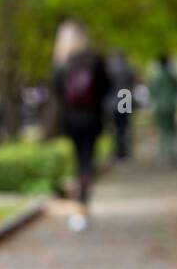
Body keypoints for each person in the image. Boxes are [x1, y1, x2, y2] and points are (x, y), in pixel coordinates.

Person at [52, 21, 110, 231]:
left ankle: (80, 207)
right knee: (87, 160)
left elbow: (57, 91)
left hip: (71, 120)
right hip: (91, 119)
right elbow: (106, 88)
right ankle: (83, 204)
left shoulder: (62, 63)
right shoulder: (94, 61)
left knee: (79, 161)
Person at [149, 55, 177, 165]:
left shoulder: (156, 77)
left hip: (160, 106)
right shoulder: (173, 76)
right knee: (171, 130)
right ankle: (170, 153)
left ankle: (164, 154)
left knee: (163, 130)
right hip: (171, 105)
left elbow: (152, 92)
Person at [105, 50, 136, 162]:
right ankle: (124, 153)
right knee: (124, 127)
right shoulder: (128, 67)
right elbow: (132, 83)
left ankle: (116, 152)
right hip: (125, 98)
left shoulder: (109, 67)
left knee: (113, 128)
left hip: (112, 101)